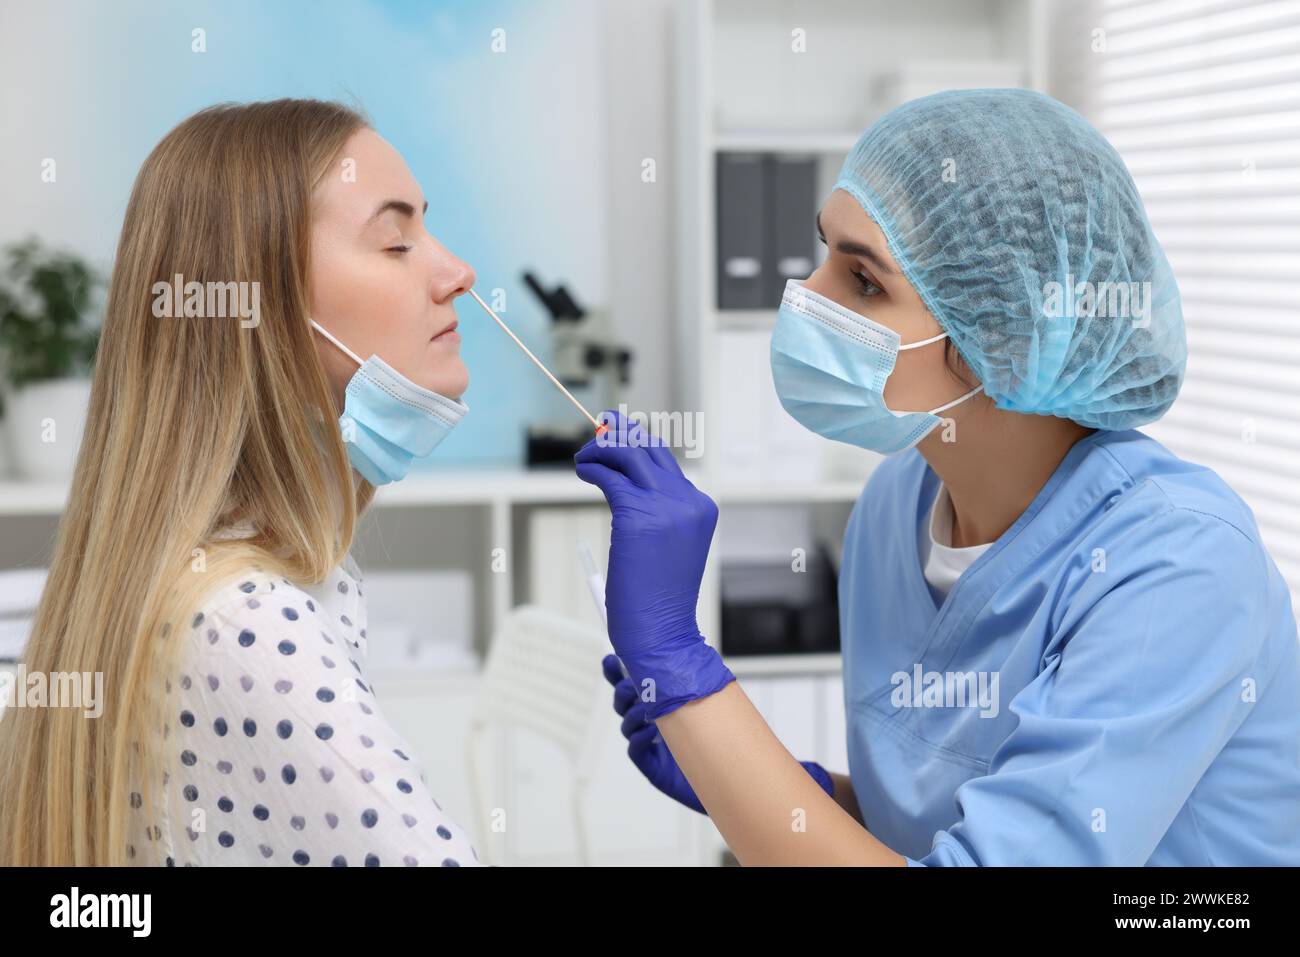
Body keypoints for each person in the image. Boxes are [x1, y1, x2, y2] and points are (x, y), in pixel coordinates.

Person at [576, 89, 1300, 866]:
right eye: (823, 253)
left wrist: (680, 662)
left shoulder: (1178, 567)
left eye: (863, 282)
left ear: (1005, 335)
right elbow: (930, 825)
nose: (802, 298)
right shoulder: (895, 504)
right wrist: (757, 776)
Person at [0, 99, 481, 866]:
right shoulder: (251, 628)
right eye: (397, 242)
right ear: (261, 307)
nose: (457, 272)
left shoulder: (200, 578)